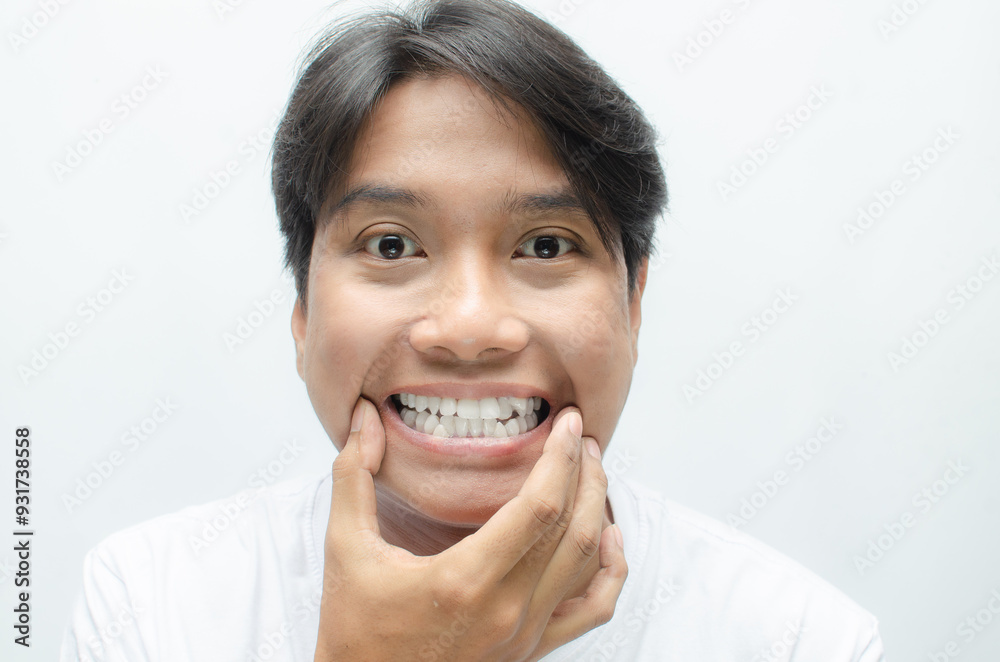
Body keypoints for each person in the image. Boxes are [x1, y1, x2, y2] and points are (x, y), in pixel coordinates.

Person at [60, 0, 885, 659]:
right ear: (302, 309)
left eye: (545, 246)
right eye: (391, 245)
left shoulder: (802, 639)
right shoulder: (147, 605)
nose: (469, 327)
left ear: (633, 303)